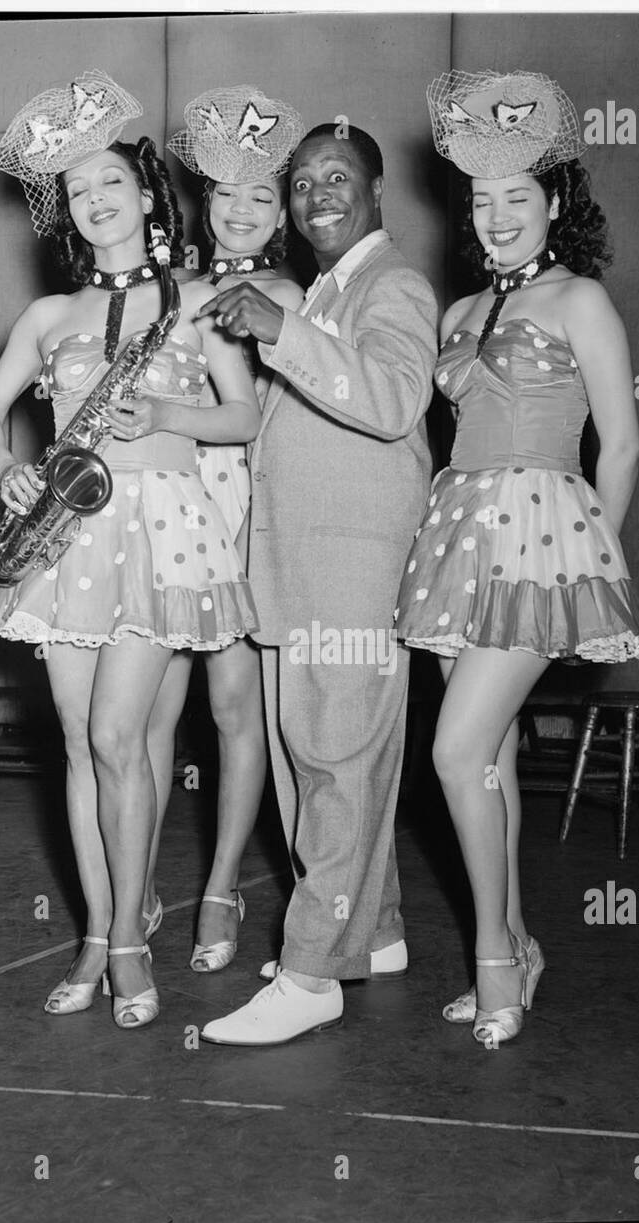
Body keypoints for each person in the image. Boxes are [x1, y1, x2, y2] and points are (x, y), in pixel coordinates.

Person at [0, 72, 261, 1027]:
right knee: (77, 744)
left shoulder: (204, 299)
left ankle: (132, 941)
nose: (97, 202)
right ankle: (98, 932)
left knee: (114, 734)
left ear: (144, 193)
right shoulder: (48, 319)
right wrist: (4, 467)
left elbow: (244, 413)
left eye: (112, 184)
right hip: (67, 536)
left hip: (163, 532)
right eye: (79, 191)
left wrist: (169, 410)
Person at [395, 69, 639, 1047]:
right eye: (483, 201)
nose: (498, 218)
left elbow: (620, 446)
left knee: (454, 751)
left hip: (542, 540)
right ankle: (515, 948)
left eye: (518, 198)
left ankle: (497, 962)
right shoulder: (458, 315)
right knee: (486, 759)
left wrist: (591, 560)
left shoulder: (581, 299)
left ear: (554, 204)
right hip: (457, 538)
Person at [197, 122, 439, 1045]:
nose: (315, 195)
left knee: (336, 763)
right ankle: (369, 934)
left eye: (338, 177)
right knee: (317, 763)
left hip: (351, 566)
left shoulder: (395, 285)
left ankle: (310, 978)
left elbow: (388, 402)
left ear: (379, 193)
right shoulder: (331, 286)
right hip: (298, 564)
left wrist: (278, 325)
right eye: (300, 183)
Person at [161, 86, 306, 973]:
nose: (242, 212)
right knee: (146, 710)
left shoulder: (289, 292)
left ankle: (222, 885)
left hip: (248, 510)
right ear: (205, 203)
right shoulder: (171, 290)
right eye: (227, 195)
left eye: (262, 196)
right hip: (168, 505)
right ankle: (132, 885)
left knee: (231, 707)